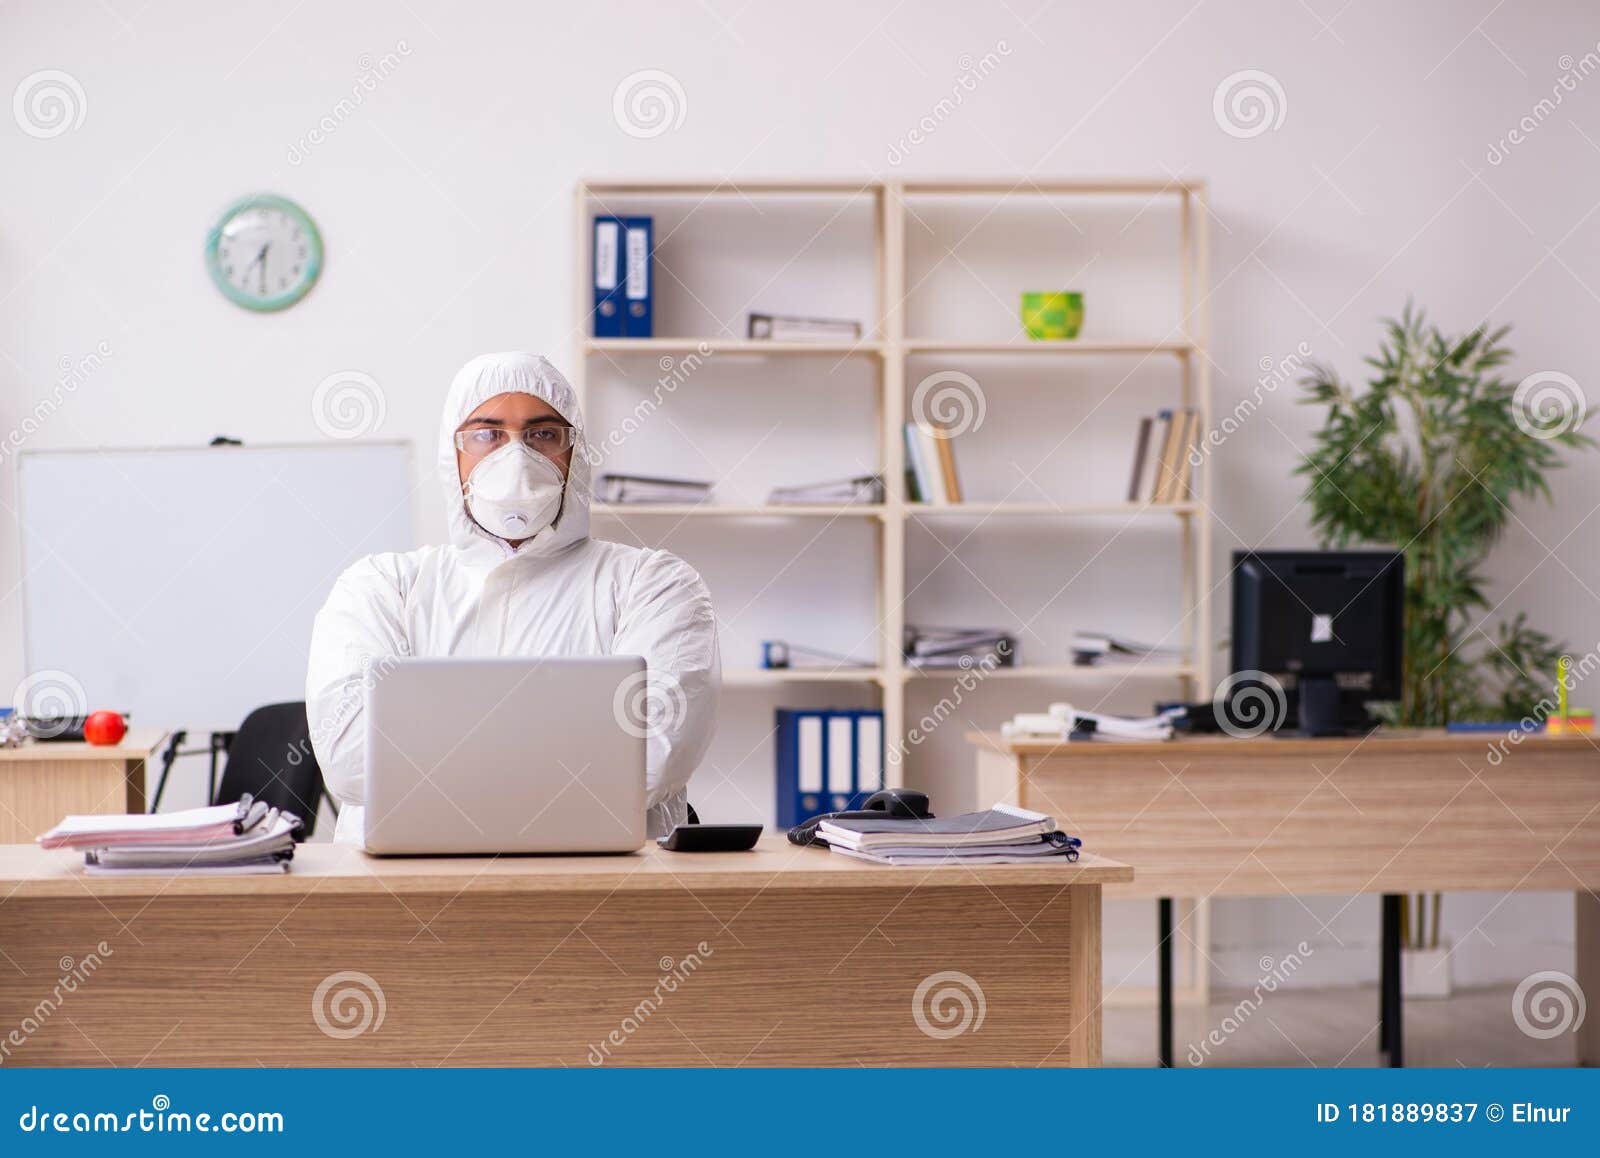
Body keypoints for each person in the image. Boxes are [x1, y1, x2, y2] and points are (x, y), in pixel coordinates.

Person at [306, 352, 720, 844]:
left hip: (604, 880)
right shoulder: (383, 586)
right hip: (407, 880)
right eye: (487, 434)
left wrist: (432, 753)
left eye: (543, 434)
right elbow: (352, 763)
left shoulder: (653, 585)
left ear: (575, 451)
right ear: (453, 455)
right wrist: (572, 750)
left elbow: (651, 760)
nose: (517, 458)